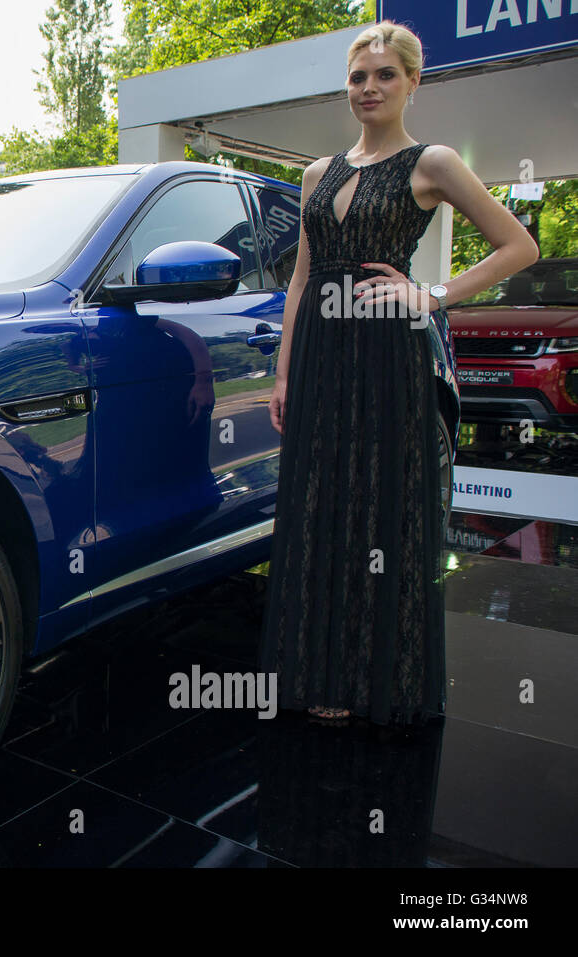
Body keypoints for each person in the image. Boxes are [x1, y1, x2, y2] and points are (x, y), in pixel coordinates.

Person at [259, 20, 538, 725]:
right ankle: (318, 675)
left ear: (413, 81)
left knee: (378, 515)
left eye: (384, 75)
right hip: (321, 358)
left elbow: (519, 245)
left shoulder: (432, 162)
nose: (369, 88)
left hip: (387, 362)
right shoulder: (317, 173)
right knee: (321, 510)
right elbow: (299, 282)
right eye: (358, 77)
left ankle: (375, 681)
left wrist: (432, 293)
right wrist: (285, 373)